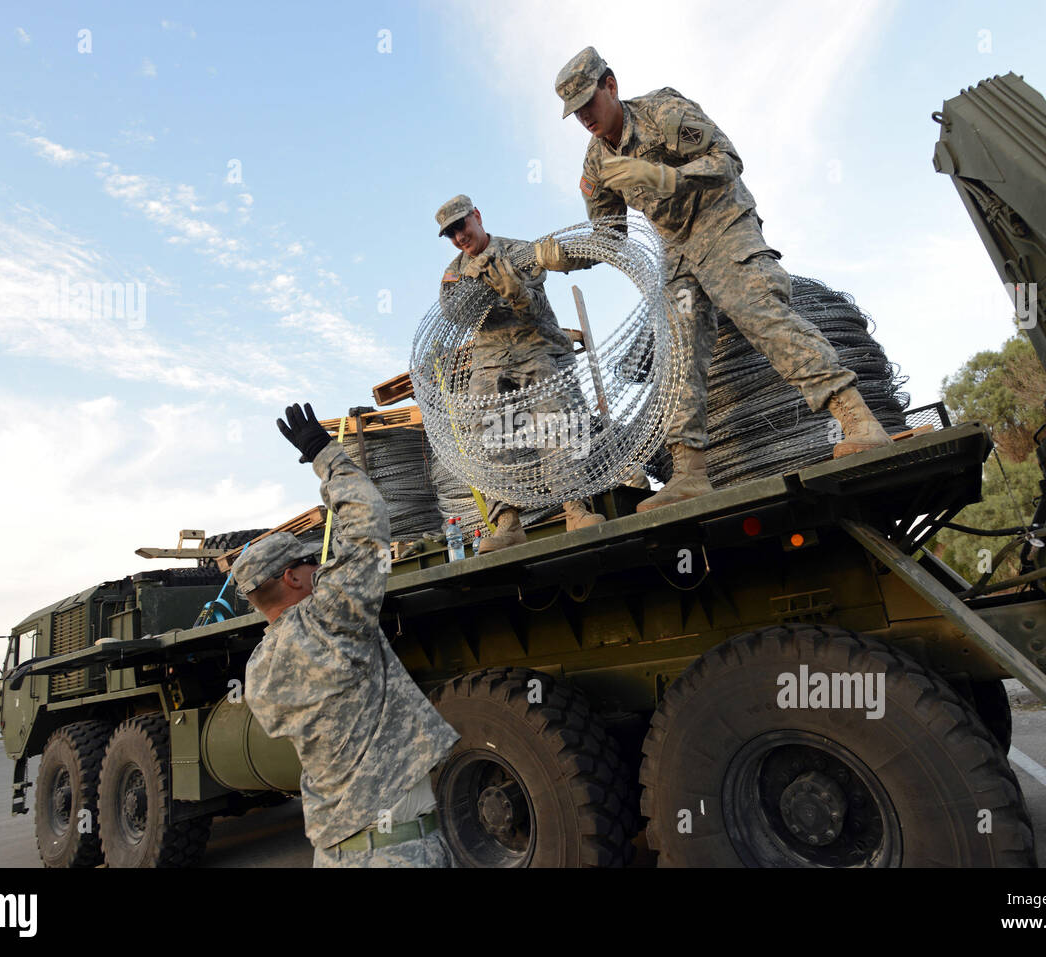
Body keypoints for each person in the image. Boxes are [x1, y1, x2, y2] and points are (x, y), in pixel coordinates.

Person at [538, 47, 894, 512]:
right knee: (679, 358)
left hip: (721, 222)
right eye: (576, 111)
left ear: (611, 85)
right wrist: (567, 255)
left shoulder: (663, 111)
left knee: (762, 313)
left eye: (590, 101)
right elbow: (612, 236)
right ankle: (689, 474)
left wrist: (664, 176)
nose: (585, 115)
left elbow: (727, 160)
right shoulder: (595, 166)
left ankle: (859, 422)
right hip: (678, 252)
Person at [236, 402, 460, 867]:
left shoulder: (257, 672)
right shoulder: (332, 617)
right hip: (396, 852)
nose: (320, 569)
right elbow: (367, 522)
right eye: (310, 563)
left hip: (334, 851)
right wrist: (325, 454)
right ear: (293, 578)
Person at [437, 194, 607, 551]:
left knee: (557, 419)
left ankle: (575, 508)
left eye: (461, 227)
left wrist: (515, 292)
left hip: (536, 344)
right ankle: (507, 524)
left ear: (477, 217)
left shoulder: (520, 252)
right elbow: (455, 315)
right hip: (492, 356)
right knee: (489, 431)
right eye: (451, 234)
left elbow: (536, 308)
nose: (459, 238)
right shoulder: (454, 275)